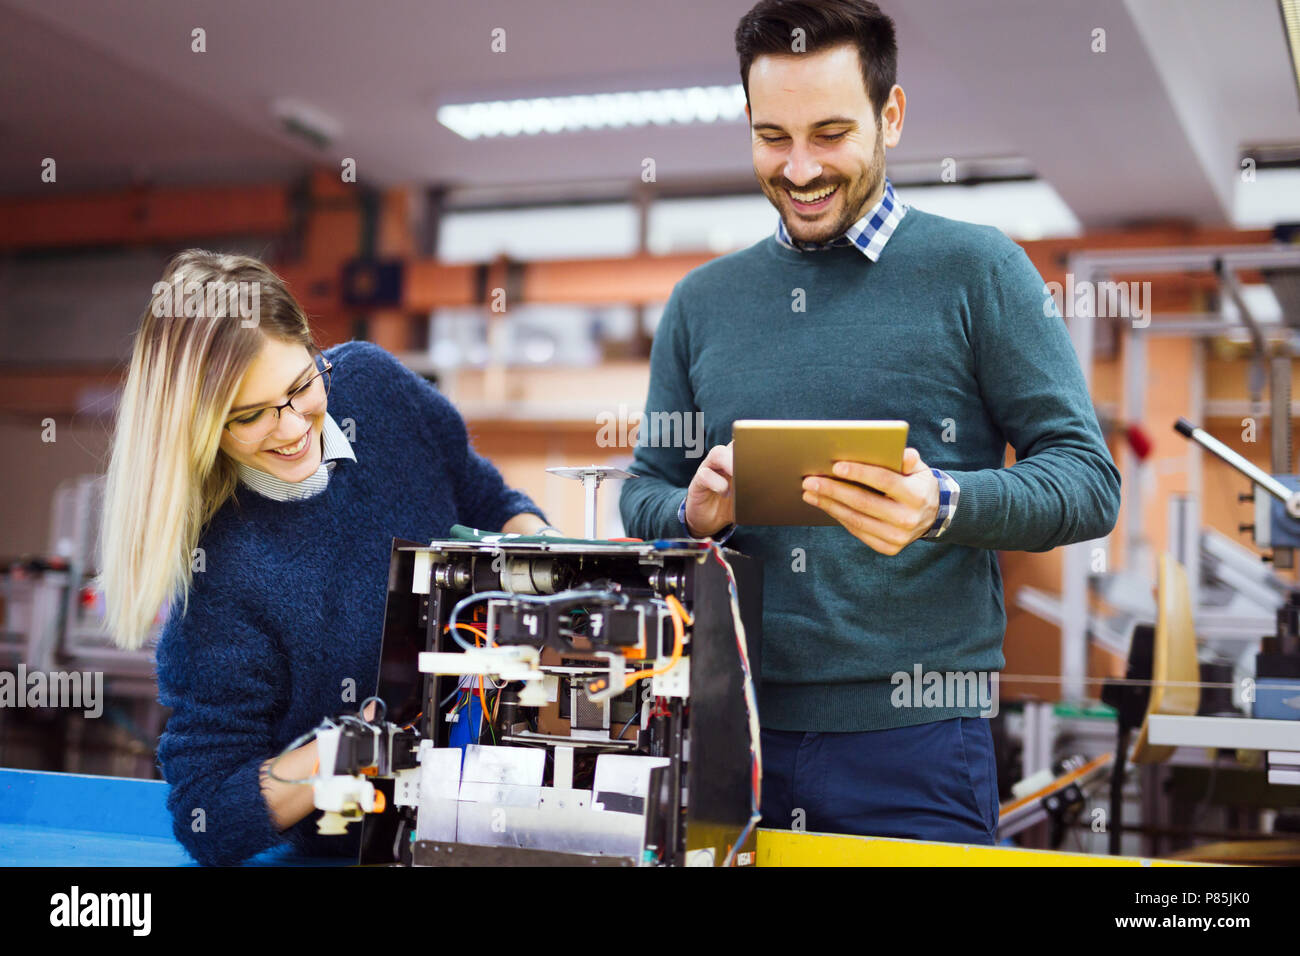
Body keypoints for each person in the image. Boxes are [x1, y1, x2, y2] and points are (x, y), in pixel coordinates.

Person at [619, 0, 1121, 845]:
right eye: (773, 136)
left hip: (920, 740)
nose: (802, 167)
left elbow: (1086, 478)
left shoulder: (979, 269)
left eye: (830, 132)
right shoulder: (701, 303)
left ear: (891, 115)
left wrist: (945, 504)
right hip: (729, 733)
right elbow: (645, 491)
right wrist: (689, 513)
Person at [99, 250, 555, 865]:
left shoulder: (373, 386)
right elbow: (207, 813)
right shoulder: (221, 573)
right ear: (199, 427)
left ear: (314, 348)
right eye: (250, 415)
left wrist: (547, 563)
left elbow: (484, 493)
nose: (291, 429)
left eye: (299, 388)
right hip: (359, 849)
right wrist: (338, 753)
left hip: (508, 801)